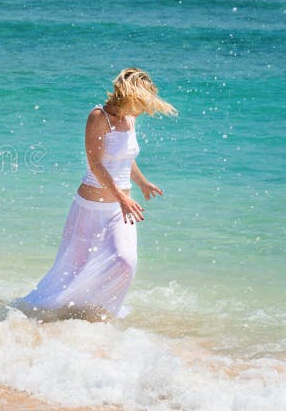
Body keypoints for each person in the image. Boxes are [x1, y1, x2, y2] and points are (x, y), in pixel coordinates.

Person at [12, 68, 176, 321]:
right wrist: (122, 198)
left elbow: (124, 158)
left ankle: (100, 314)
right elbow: (96, 164)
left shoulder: (130, 119)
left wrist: (142, 183)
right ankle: (47, 314)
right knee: (72, 271)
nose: (144, 109)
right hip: (90, 209)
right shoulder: (99, 117)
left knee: (125, 261)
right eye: (142, 102)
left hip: (121, 208)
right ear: (130, 95)